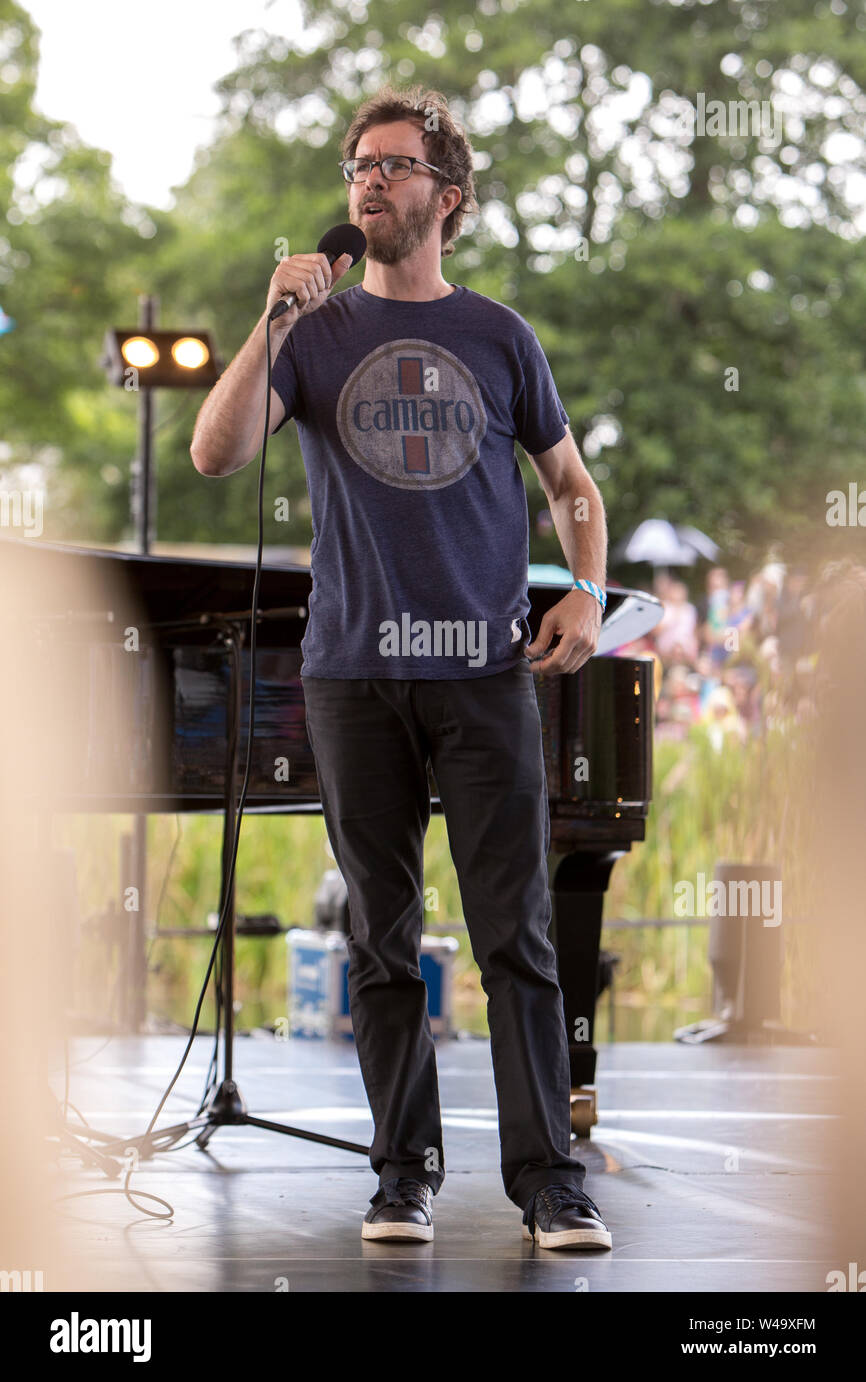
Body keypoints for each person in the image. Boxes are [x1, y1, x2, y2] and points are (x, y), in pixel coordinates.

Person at [190, 85, 611, 1252]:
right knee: (380, 933)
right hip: (350, 671)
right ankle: (402, 1174)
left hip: (482, 670)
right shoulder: (313, 334)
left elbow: (570, 487)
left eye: (391, 165)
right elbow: (215, 453)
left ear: (447, 197)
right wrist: (268, 320)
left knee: (513, 932)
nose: (367, 181)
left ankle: (547, 1184)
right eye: (354, 166)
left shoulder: (499, 335)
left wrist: (585, 587)